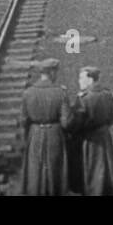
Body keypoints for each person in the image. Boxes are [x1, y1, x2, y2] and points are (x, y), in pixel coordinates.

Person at [19, 60, 74, 196]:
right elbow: (66, 122)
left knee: (35, 170)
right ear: (52, 72)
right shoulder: (61, 92)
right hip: (54, 134)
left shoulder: (28, 93)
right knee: (55, 169)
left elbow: (23, 120)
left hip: (35, 134)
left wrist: (27, 136)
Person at [68, 67, 113, 196]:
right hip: (105, 136)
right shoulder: (107, 93)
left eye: (81, 78)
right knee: (106, 166)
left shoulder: (83, 98)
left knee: (92, 167)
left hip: (90, 139)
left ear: (90, 79)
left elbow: (76, 123)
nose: (79, 81)